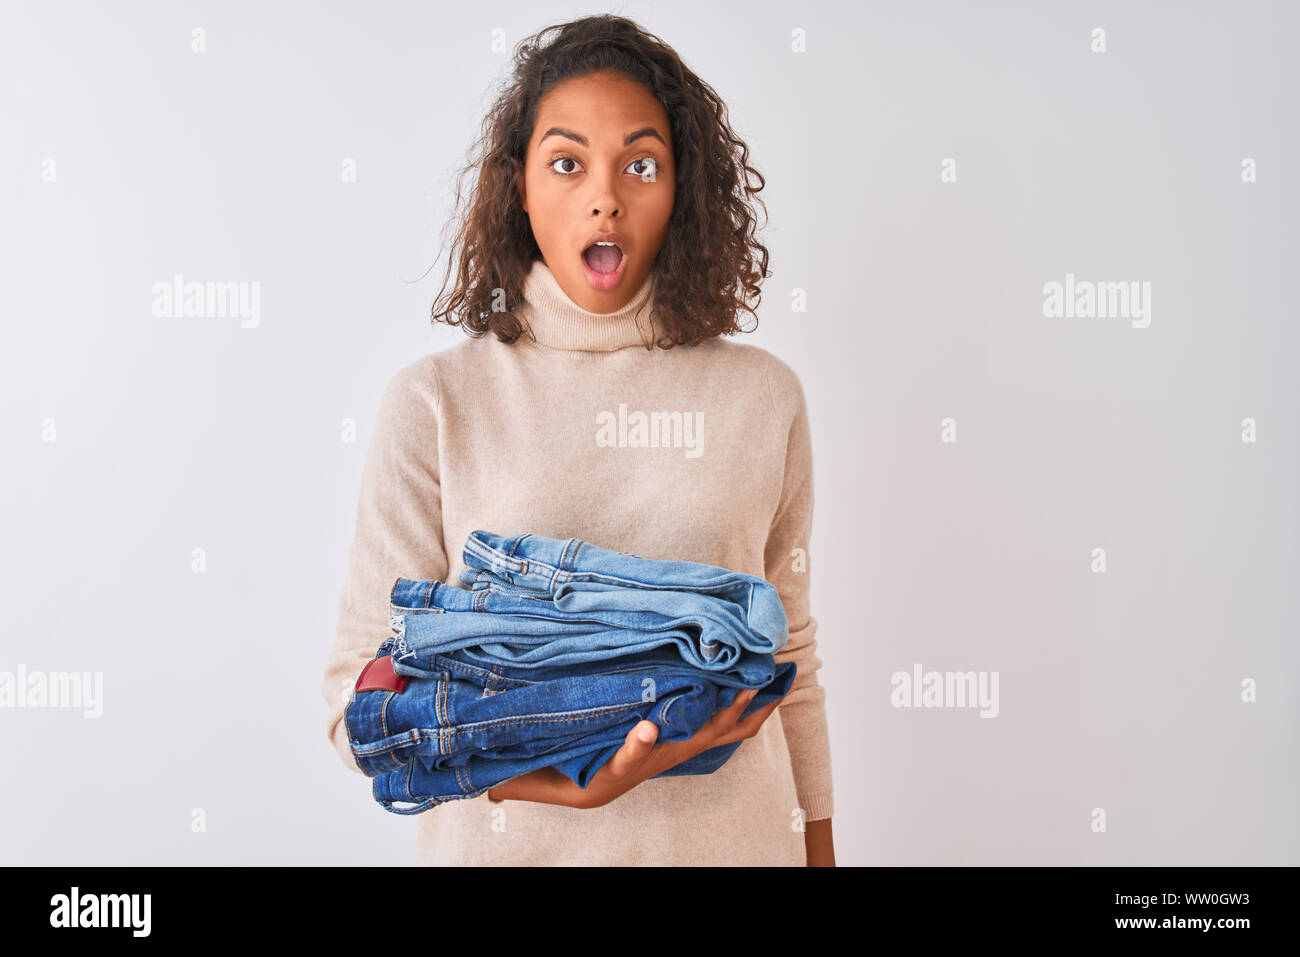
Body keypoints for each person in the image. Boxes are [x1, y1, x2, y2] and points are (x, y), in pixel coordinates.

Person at [321, 13, 835, 866]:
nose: (605, 195)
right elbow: (358, 698)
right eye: (567, 163)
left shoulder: (762, 396)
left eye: (641, 164)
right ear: (519, 185)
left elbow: (794, 661)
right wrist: (559, 775)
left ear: (684, 189)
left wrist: (822, 850)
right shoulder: (435, 402)